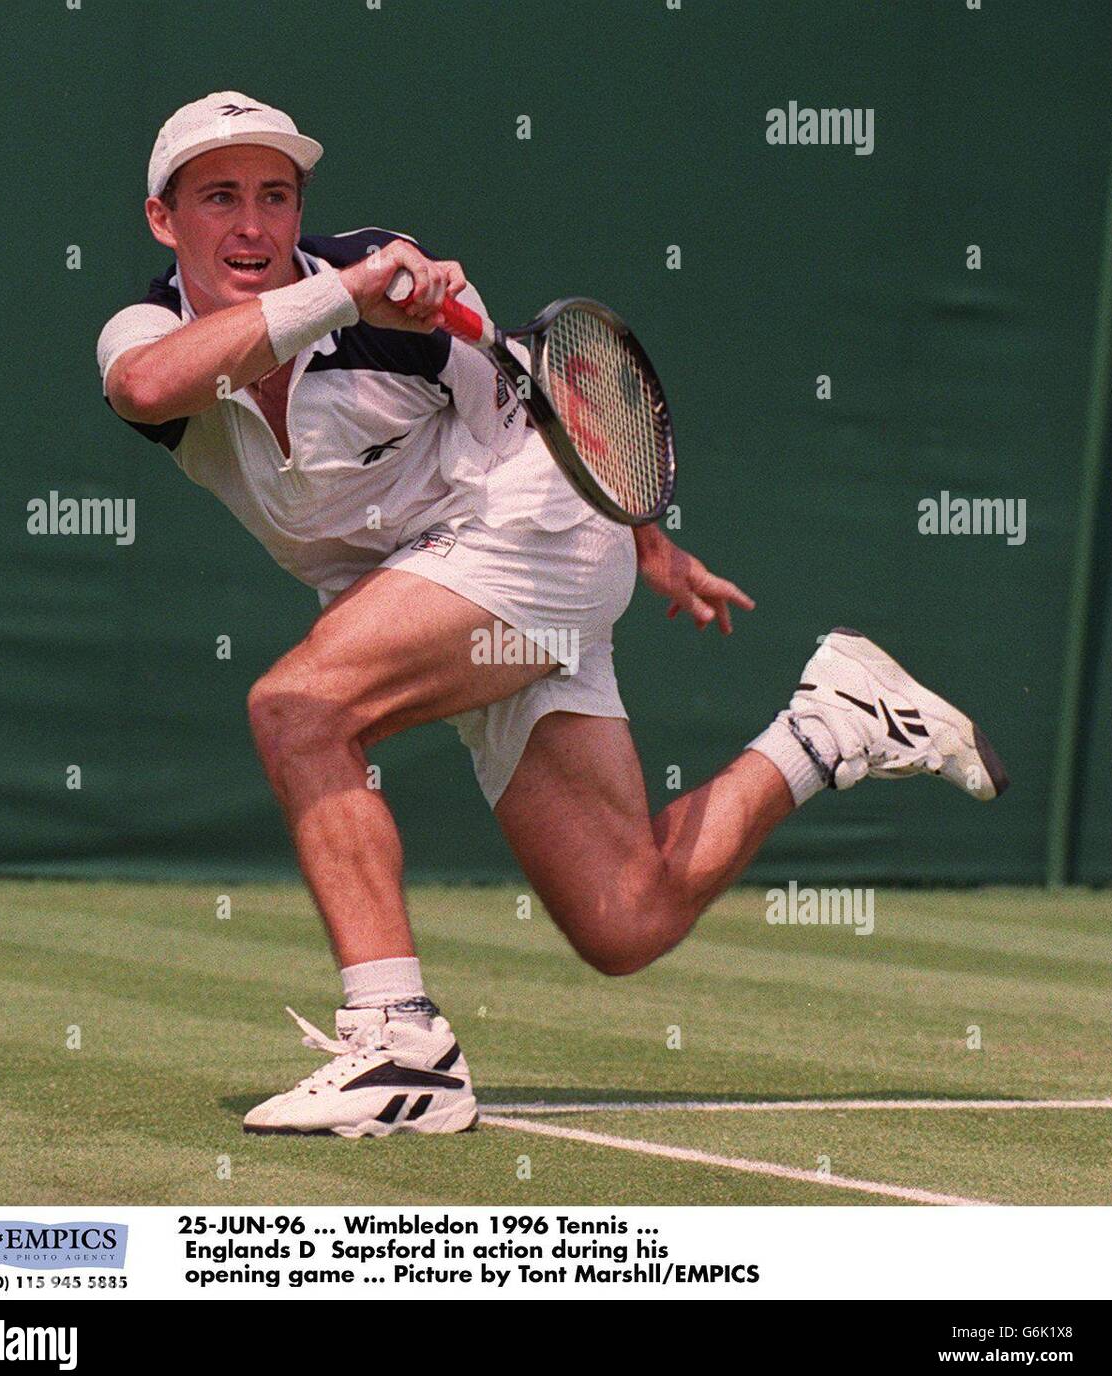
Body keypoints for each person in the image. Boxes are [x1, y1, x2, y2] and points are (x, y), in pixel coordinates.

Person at [97, 93, 1008, 1139]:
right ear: (165, 221)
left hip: (529, 540)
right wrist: (345, 295)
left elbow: (554, 409)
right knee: (626, 915)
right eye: (221, 199)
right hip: (443, 594)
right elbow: (149, 385)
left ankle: (399, 1043)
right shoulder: (164, 324)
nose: (252, 225)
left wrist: (643, 537)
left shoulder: (406, 300)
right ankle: (834, 721)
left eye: (276, 196)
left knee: (299, 709)